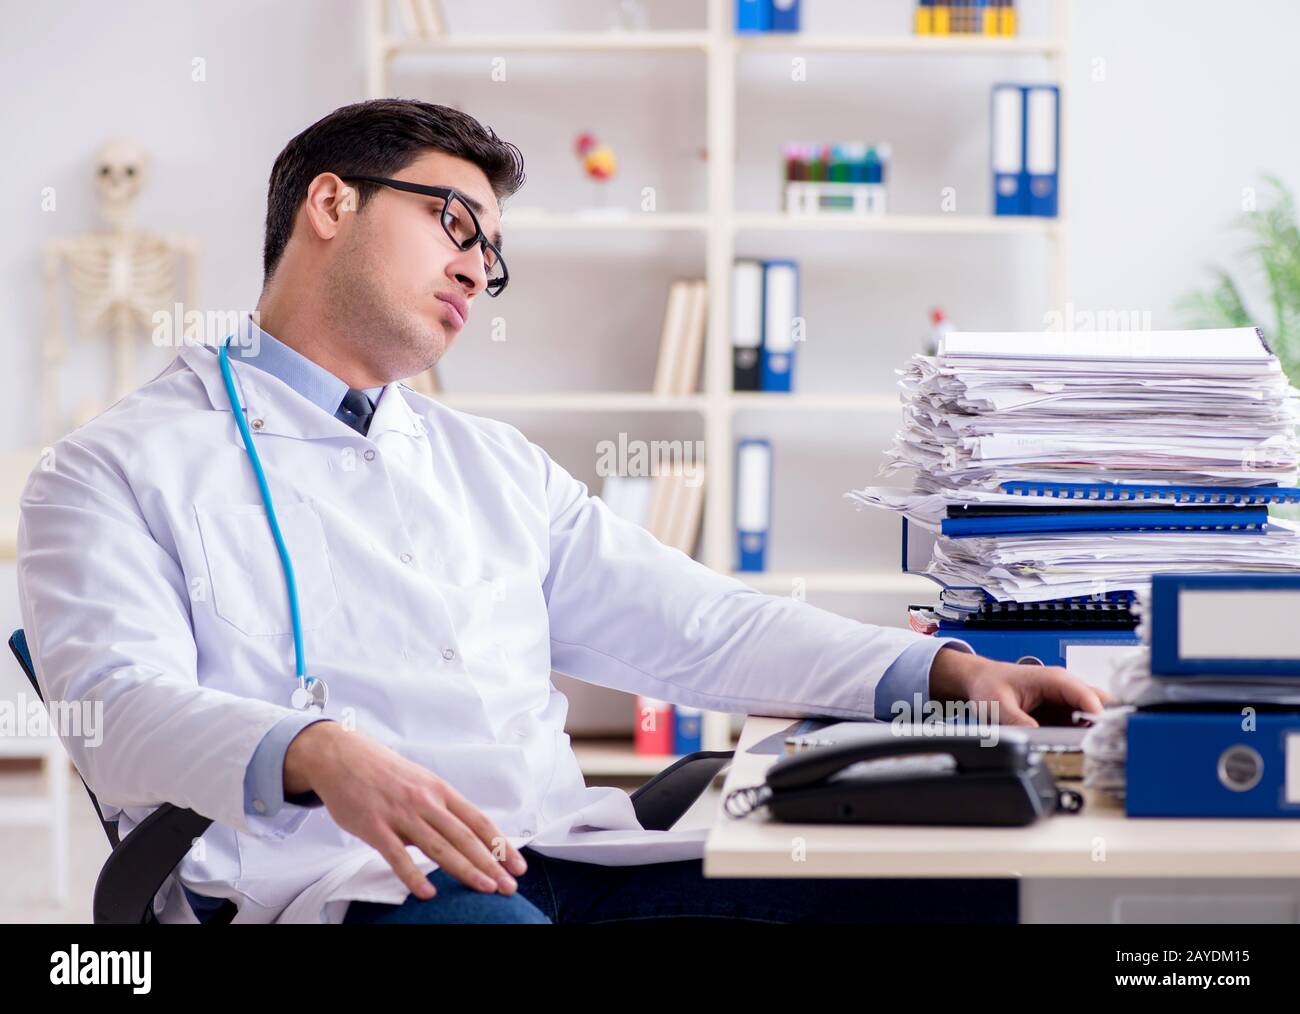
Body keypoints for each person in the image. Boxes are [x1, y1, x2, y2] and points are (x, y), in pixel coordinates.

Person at [16, 99, 1104, 924]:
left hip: (556, 854)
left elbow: (699, 624)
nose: (476, 268)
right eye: (456, 223)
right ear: (331, 203)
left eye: (491, 254)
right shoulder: (111, 468)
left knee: (971, 896)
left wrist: (944, 672)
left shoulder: (489, 463)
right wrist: (313, 751)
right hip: (342, 884)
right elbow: (117, 708)